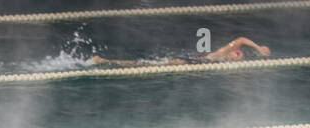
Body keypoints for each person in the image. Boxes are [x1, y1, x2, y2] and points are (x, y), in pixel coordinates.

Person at [90, 37, 271, 67]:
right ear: (232, 52)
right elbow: (241, 39)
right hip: (185, 62)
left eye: (239, 58)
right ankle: (104, 60)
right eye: (238, 54)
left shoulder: (225, 62)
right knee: (142, 65)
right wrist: (259, 49)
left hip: (189, 61)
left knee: (145, 64)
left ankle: (104, 60)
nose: (237, 57)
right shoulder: (222, 54)